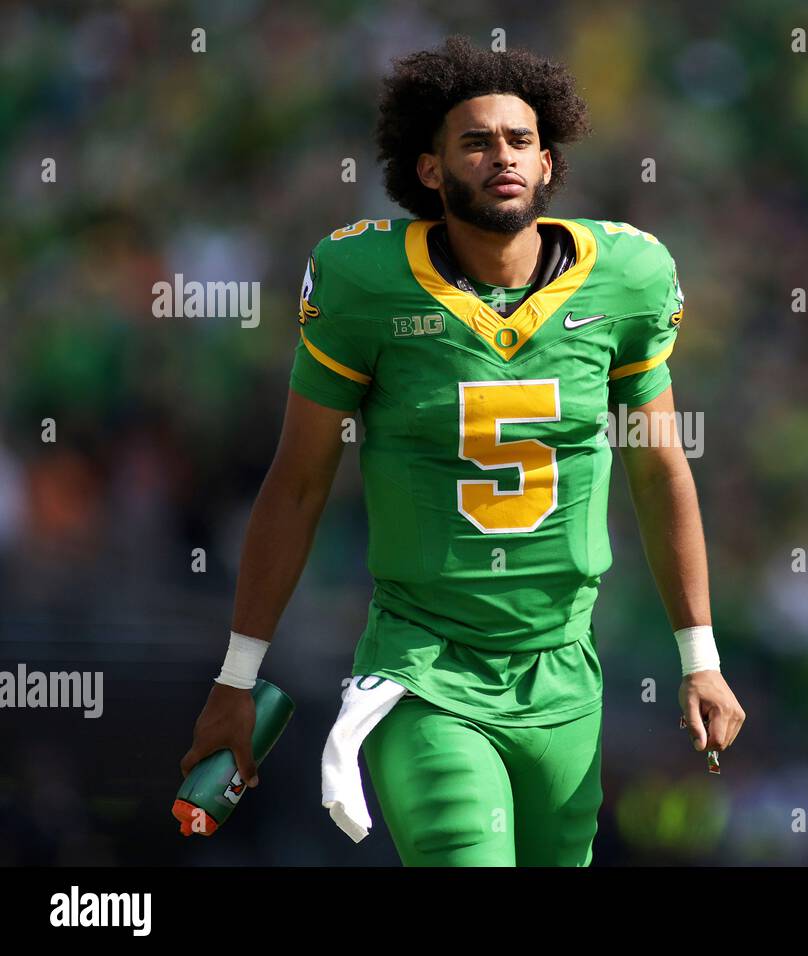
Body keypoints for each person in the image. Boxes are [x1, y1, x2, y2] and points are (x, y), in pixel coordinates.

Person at [179, 34, 745, 866]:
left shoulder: (626, 277)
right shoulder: (366, 282)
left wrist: (700, 657)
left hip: (565, 674)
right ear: (430, 169)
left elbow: (659, 470)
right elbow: (297, 483)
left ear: (547, 162)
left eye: (519, 140)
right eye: (475, 142)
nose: (502, 156)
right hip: (425, 667)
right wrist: (238, 676)